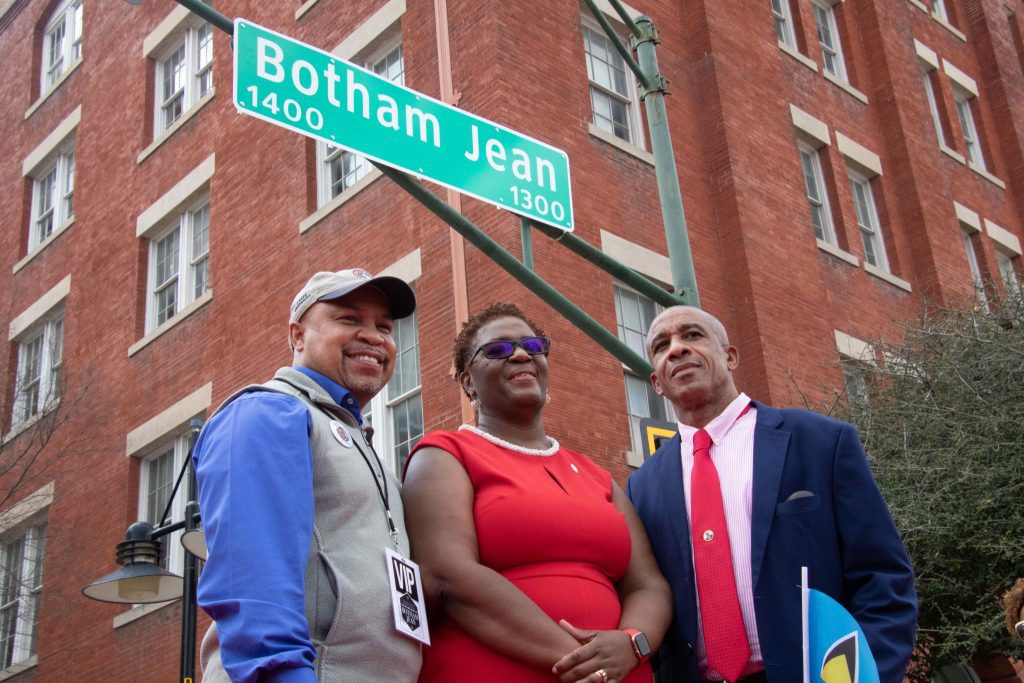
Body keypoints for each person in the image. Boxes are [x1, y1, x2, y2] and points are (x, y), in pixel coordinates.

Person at [626, 305, 918, 683]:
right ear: (657, 382)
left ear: (731, 357)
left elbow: (883, 578)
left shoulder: (821, 442)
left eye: (692, 335)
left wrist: (862, 674)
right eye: (661, 345)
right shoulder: (642, 487)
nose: (676, 349)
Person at [402, 303, 672, 683]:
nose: (520, 354)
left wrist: (631, 642)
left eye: (532, 346)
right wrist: (585, 663)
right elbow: (446, 575)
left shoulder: (595, 475)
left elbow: (649, 584)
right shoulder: (445, 454)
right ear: (467, 381)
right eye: (497, 349)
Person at [193, 269, 422, 682]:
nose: (373, 337)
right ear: (297, 336)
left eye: (384, 327)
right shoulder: (270, 411)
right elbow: (253, 584)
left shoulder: (364, 447)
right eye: (349, 319)